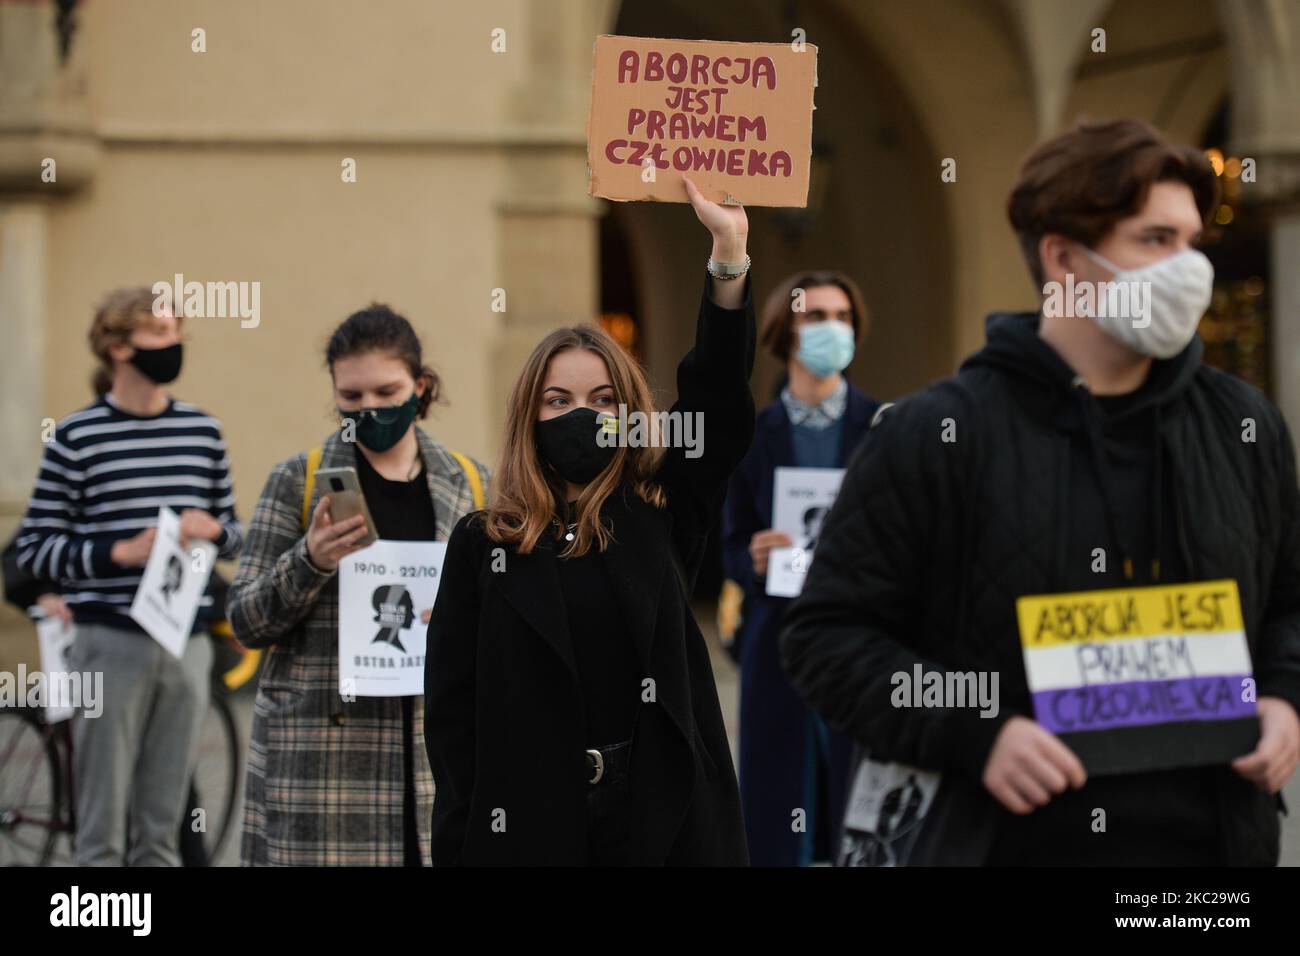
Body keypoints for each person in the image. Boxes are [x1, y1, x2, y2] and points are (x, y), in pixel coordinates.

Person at [781, 117, 1300, 866]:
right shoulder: (934, 434)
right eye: (1155, 241)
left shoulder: (1245, 428)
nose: (1189, 268)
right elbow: (826, 640)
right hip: (1004, 846)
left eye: (1192, 241)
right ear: (1063, 257)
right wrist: (977, 730)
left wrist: (1283, 697)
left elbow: (1288, 603)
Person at [424, 176, 754, 866]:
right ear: (530, 417)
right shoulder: (484, 544)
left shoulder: (662, 511)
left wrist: (728, 253)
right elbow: (453, 720)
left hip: (658, 821)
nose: (584, 415)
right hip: (532, 826)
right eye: (560, 399)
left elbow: (716, 401)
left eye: (604, 399)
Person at [228, 305, 489, 866]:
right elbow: (246, 621)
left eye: (385, 390)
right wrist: (311, 559)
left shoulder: (471, 485)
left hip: (430, 764)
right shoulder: (297, 479)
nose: (369, 407)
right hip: (321, 770)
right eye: (351, 396)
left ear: (419, 388)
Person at [13, 286, 244, 866]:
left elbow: (238, 533)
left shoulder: (202, 431)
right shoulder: (76, 437)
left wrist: (213, 532)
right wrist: (118, 553)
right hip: (106, 642)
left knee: (162, 831)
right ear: (117, 346)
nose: (174, 345)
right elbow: (35, 547)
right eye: (160, 334)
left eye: (177, 333)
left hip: (185, 642)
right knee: (101, 833)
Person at [721, 270, 879, 866]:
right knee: (778, 813)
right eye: (816, 316)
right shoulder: (753, 437)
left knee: (855, 809)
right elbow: (729, 549)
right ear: (784, 332)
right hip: (775, 645)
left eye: (842, 317)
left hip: (860, 644)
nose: (831, 328)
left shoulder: (884, 428)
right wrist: (753, 556)